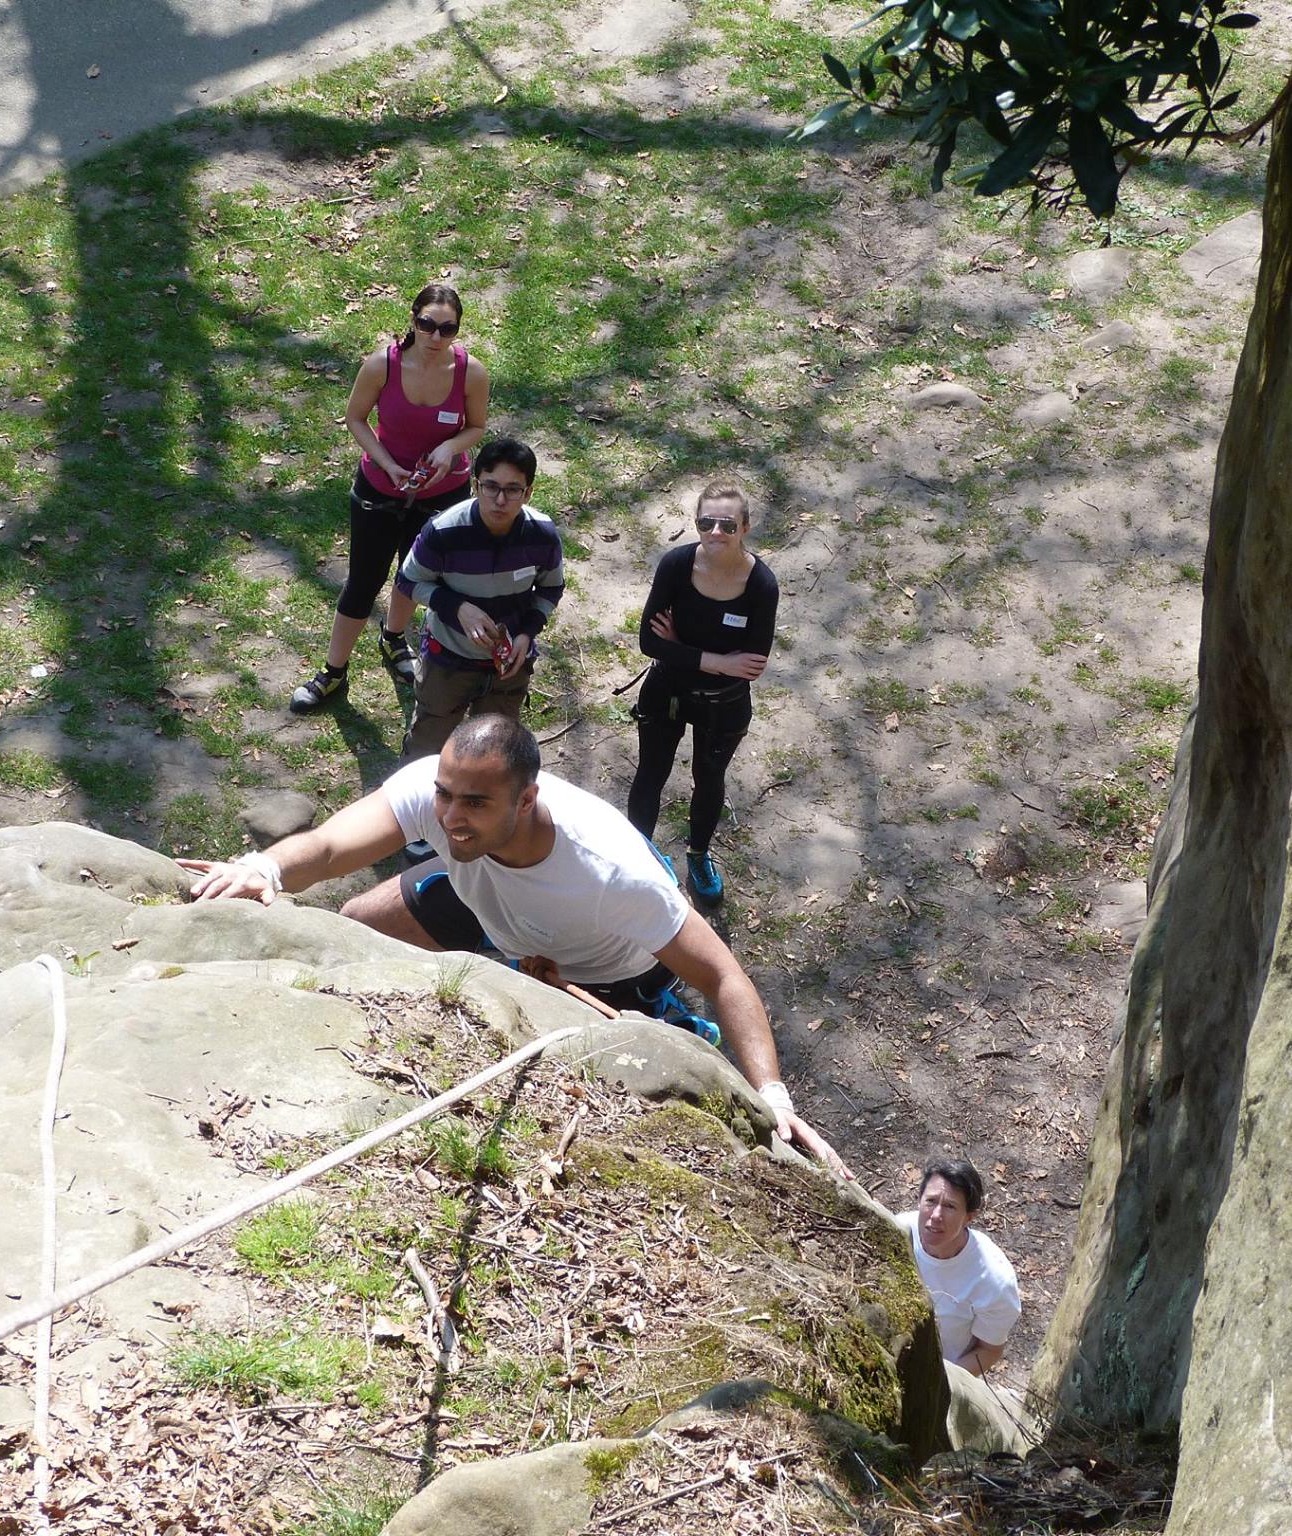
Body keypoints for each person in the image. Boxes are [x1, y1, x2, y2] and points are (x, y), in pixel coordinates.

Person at [178, 715, 847, 1177]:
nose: (449, 815)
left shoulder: (610, 873)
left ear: (526, 799)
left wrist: (774, 1098)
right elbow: (327, 845)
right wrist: (263, 870)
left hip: (600, 970)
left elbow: (724, 976)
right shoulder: (441, 801)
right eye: (444, 795)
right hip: (491, 904)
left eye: (473, 802)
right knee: (361, 920)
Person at [291, 282, 490, 712]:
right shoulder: (383, 364)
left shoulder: (471, 372)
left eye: (447, 329)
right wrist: (385, 463)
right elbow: (356, 418)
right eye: (427, 325)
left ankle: (395, 639)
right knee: (364, 580)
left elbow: (476, 427)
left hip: (442, 491)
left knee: (414, 574)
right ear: (413, 319)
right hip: (380, 489)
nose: (436, 337)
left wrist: (447, 450)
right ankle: (332, 672)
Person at [624, 482, 777, 903]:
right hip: (666, 690)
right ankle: (639, 854)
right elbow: (649, 642)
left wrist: (684, 649)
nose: (715, 532)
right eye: (705, 522)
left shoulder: (761, 584)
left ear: (745, 527)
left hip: (723, 705)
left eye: (727, 524)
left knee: (709, 778)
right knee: (651, 771)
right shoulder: (676, 564)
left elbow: (753, 664)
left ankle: (698, 853)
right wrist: (718, 660)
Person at [395, 438, 563, 761]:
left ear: (528, 492)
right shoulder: (443, 531)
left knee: (493, 756)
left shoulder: (542, 535)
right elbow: (407, 579)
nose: (500, 500)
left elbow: (550, 589)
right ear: (475, 485)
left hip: (507, 668)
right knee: (427, 753)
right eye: (491, 487)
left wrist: (527, 633)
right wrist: (456, 607)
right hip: (448, 662)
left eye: (513, 490)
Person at [896, 1158, 1021, 1377]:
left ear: (969, 1217)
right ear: (919, 1200)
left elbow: (989, 1350)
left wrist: (940, 1383)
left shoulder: (994, 1279)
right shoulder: (895, 1233)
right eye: (931, 1201)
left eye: (950, 1206)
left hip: (939, 1375)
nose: (936, 1216)